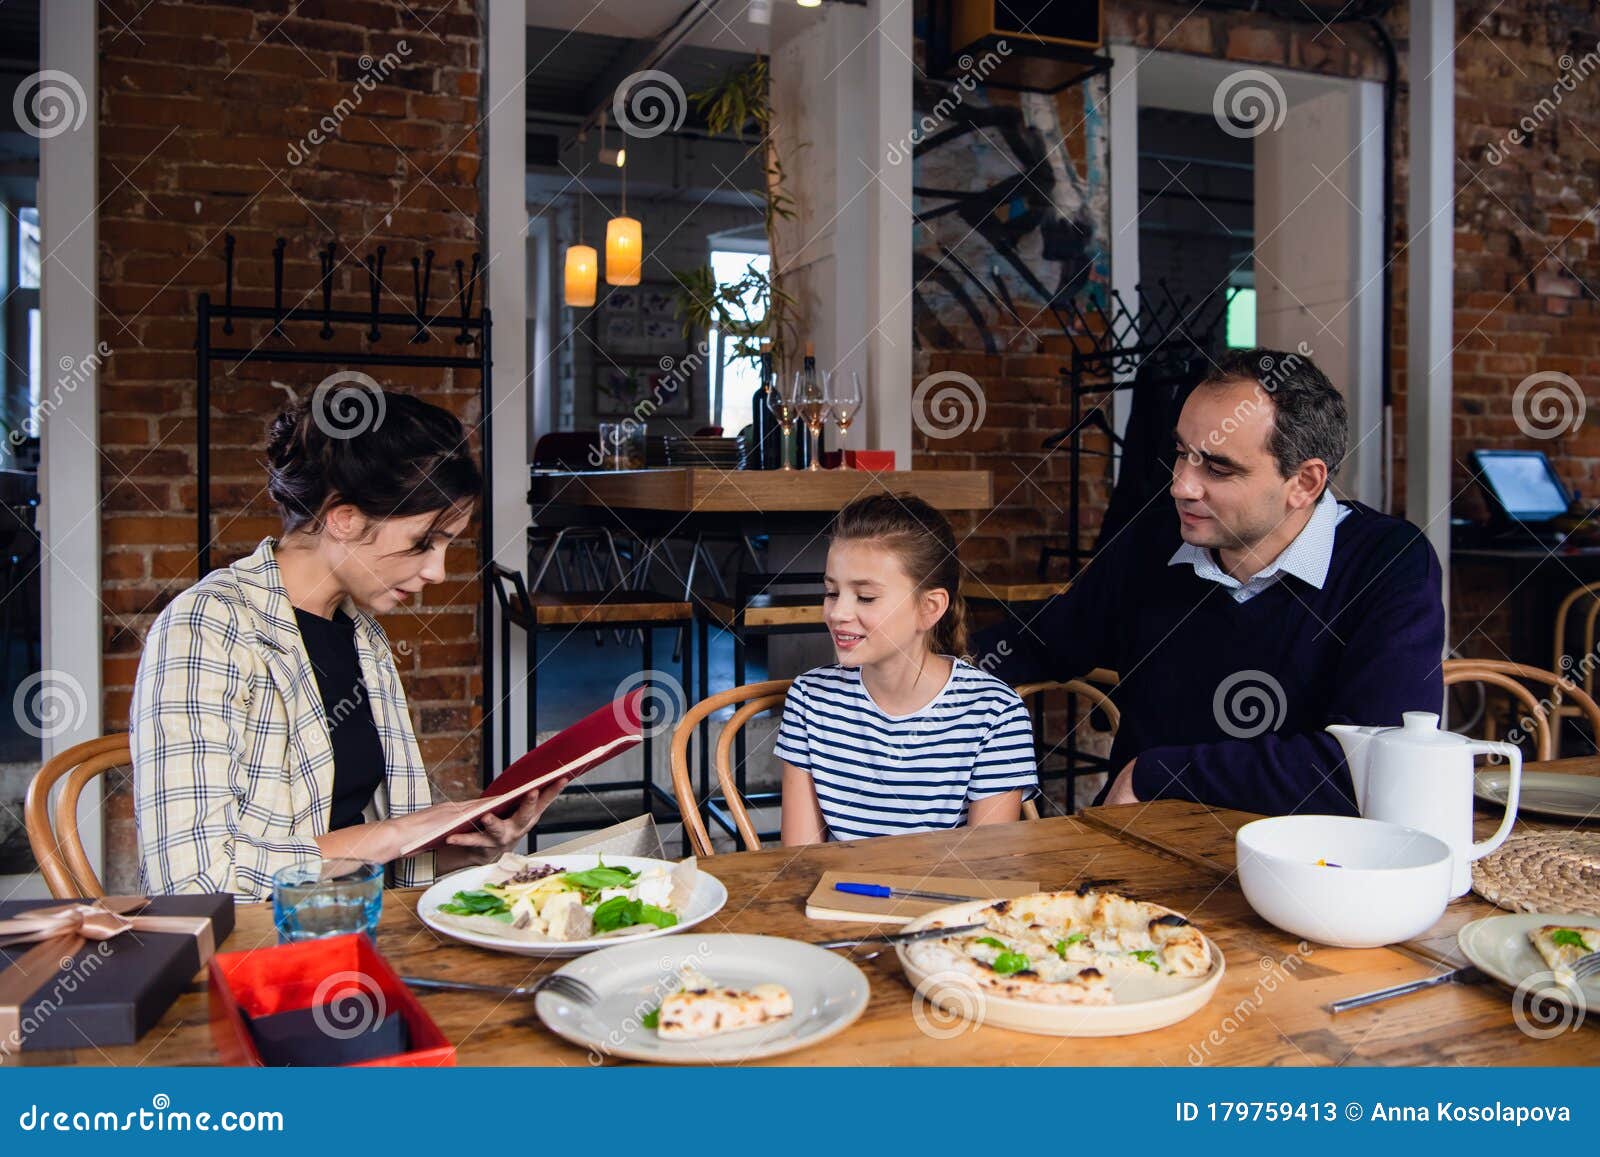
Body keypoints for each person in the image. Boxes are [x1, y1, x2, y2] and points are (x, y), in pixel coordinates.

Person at [982, 347, 1445, 815]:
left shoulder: (1388, 563)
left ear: (1304, 483)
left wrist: (1158, 773)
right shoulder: (1154, 539)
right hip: (1140, 848)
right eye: (1182, 454)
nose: (1181, 485)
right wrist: (925, 660)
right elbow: (1045, 640)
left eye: (1218, 468)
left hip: (1310, 867)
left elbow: (1373, 768)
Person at [132, 389, 557, 898]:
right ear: (344, 518)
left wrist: (462, 847)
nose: (437, 571)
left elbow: (356, 845)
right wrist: (398, 833)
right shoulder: (207, 628)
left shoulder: (361, 633)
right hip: (258, 951)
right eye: (425, 542)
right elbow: (192, 880)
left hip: (352, 920)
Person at [778, 494, 1038, 844]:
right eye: (831, 592)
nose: (838, 613)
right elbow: (800, 860)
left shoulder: (995, 714)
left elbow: (988, 871)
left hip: (951, 898)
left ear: (930, 608)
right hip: (835, 897)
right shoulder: (809, 699)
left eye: (865, 597)